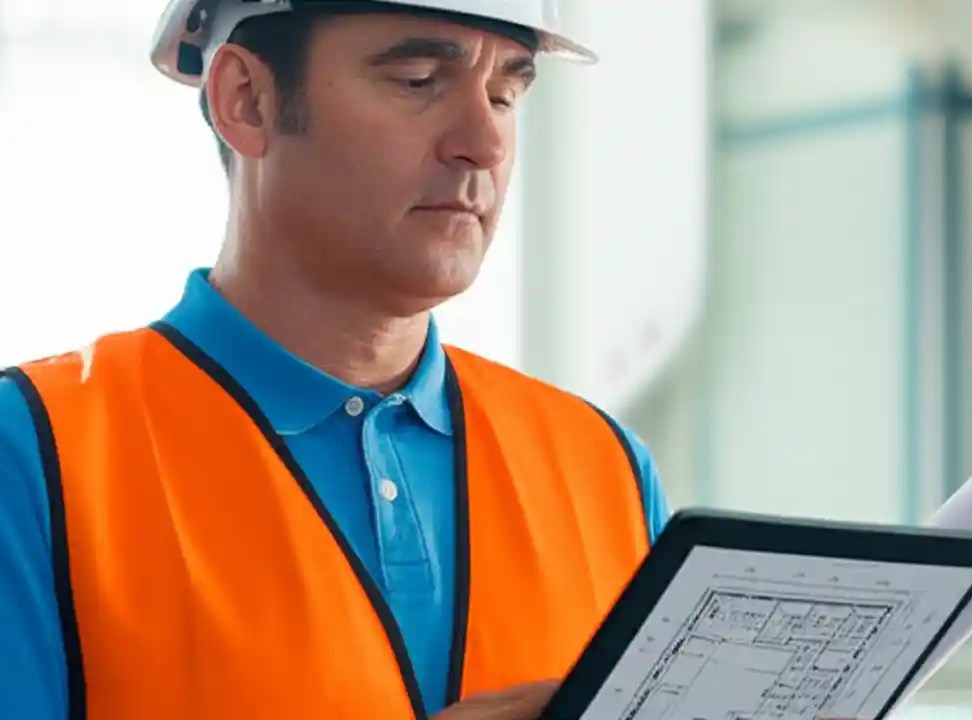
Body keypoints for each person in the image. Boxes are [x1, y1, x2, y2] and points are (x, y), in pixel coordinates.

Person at [0, 1, 669, 718]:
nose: (485, 143)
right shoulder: (37, 454)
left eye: (505, 94)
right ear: (246, 100)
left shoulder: (604, 470)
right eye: (417, 80)